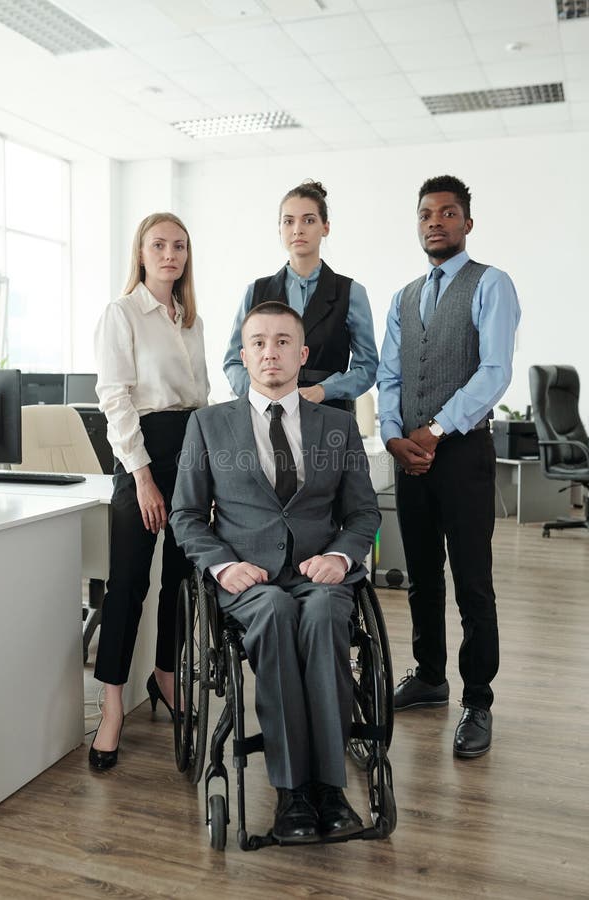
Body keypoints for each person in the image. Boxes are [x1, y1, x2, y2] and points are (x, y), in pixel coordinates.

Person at [171, 302, 381, 842]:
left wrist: (340, 557)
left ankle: (330, 790)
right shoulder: (209, 424)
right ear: (244, 356)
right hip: (250, 580)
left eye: (283, 342)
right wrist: (221, 565)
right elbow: (187, 516)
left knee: (322, 616)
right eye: (259, 342)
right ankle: (291, 795)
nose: (271, 352)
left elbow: (362, 513)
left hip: (322, 574)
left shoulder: (337, 425)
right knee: (276, 611)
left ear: (302, 354)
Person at [377, 175, 520, 758]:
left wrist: (433, 430)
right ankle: (431, 676)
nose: (435, 221)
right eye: (425, 214)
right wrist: (392, 437)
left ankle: (478, 698)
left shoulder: (492, 284)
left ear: (467, 222)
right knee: (421, 577)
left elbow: (494, 372)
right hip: (409, 455)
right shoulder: (404, 297)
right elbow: (390, 375)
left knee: (471, 580)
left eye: (447, 212)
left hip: (460, 453)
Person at [89, 212, 209, 770]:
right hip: (142, 453)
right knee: (129, 584)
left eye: (178, 246)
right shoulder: (122, 313)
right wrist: (140, 476)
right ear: (140, 253)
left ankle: (166, 673)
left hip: (191, 452)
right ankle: (111, 703)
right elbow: (115, 399)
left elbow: (200, 400)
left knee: (182, 581)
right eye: (158, 245)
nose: (169, 254)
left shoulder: (191, 320)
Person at [223, 179, 378, 412]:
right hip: (267, 413)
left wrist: (324, 390)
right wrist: (261, 393)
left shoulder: (351, 292)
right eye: (288, 221)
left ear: (325, 227)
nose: (297, 229)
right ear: (279, 229)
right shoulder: (255, 292)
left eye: (308, 220)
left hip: (330, 412)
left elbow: (367, 367)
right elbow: (233, 361)